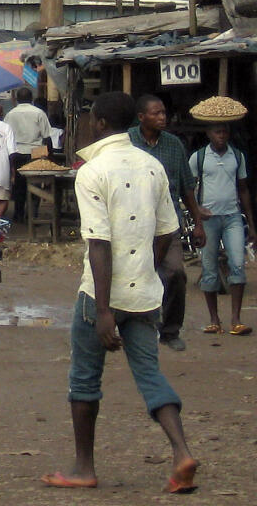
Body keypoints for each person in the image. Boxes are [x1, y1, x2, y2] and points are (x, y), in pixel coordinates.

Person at [41, 91, 198, 493]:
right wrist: (144, 265)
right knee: (150, 375)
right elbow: (167, 231)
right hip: (145, 293)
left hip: (100, 296)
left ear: (99, 123)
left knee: (84, 381)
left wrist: (106, 311)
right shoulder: (153, 166)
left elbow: (99, 244)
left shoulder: (92, 171)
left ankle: (82, 468)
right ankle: (181, 453)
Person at [128, 95, 204, 352]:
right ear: (141, 117)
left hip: (168, 222)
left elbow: (187, 187)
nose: (163, 117)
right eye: (156, 113)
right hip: (134, 222)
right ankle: (135, 329)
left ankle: (170, 330)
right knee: (135, 274)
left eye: (164, 113)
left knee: (175, 273)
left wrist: (198, 223)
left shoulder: (174, 145)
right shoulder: (128, 142)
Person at [189, 122, 255, 336]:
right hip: (208, 220)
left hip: (233, 217)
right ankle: (214, 320)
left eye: (225, 131)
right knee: (209, 269)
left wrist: (251, 225)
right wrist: (197, 214)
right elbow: (189, 189)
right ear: (208, 133)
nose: (221, 135)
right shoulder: (198, 158)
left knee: (237, 263)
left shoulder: (237, 156)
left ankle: (235, 320)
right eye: (217, 131)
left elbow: (243, 190)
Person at [5, 87, 52, 219]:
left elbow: (6, 136)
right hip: (36, 150)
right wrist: (50, 156)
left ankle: (18, 214)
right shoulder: (39, 113)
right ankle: (33, 215)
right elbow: (47, 136)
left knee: (19, 184)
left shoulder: (10, 114)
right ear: (31, 99)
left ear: (17, 99)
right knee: (35, 183)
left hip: (17, 151)